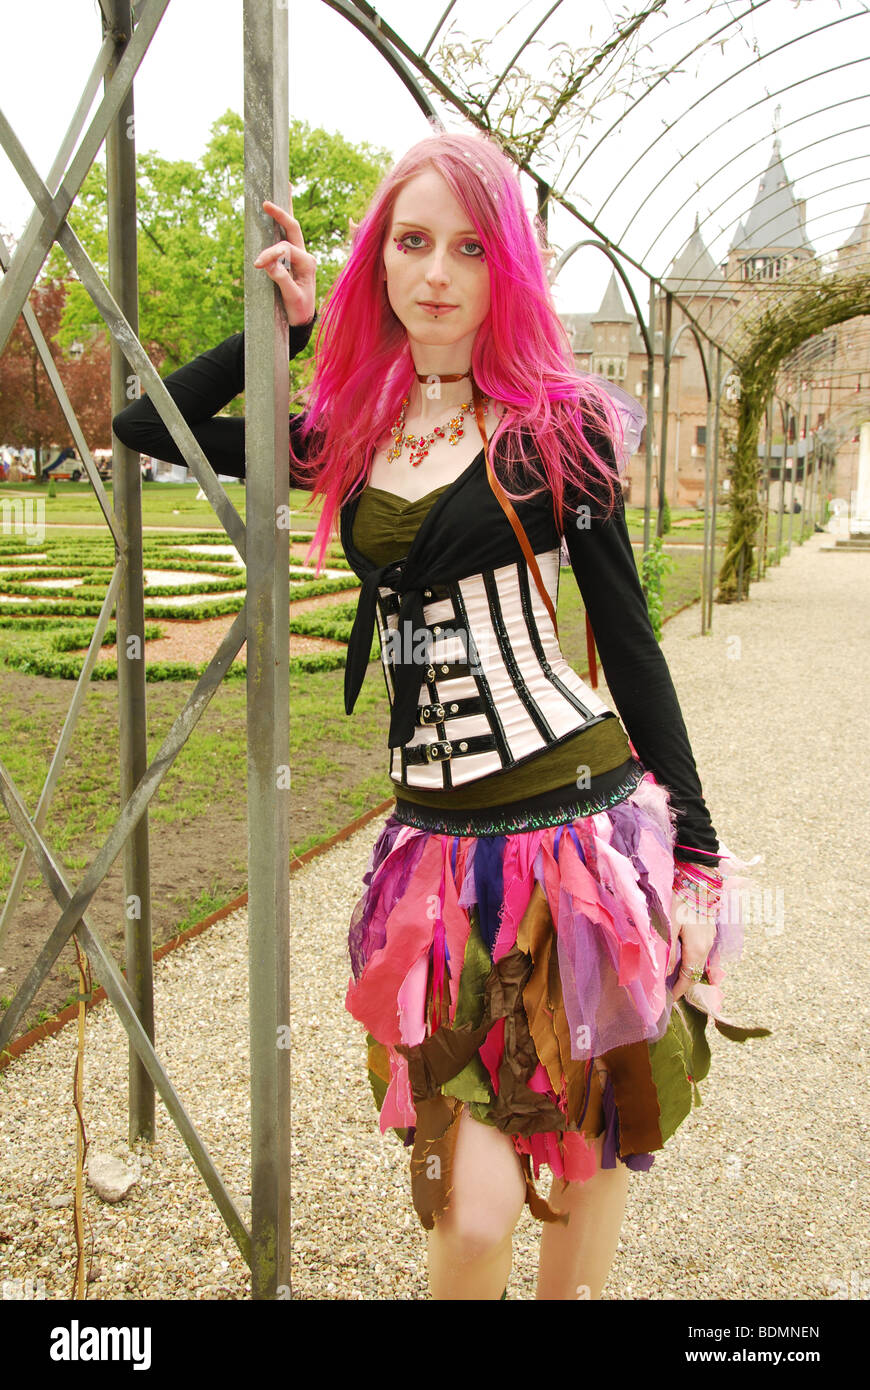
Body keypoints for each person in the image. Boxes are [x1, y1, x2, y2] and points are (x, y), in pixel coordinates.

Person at [113, 130, 768, 1301]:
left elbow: (628, 646)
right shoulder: (350, 432)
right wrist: (290, 326)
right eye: (410, 243)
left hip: (577, 825)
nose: (437, 274)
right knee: (468, 1219)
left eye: (469, 247)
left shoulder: (558, 433)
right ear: (379, 261)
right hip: (436, 853)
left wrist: (702, 853)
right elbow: (144, 425)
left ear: (505, 266)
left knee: (587, 1144)